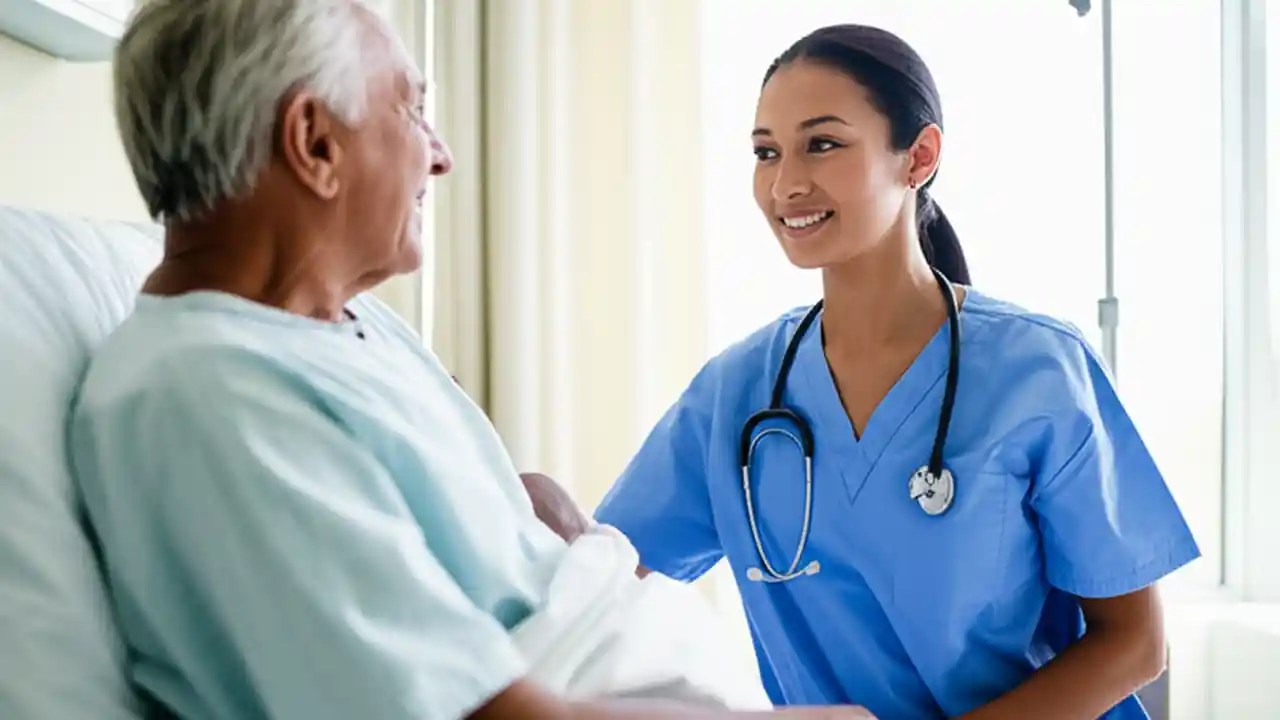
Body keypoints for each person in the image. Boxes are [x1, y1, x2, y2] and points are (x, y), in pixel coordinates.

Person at [67, 2, 874, 719]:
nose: (441, 155)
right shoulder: (211, 396)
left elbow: (480, 533)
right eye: (413, 112)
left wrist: (553, 524)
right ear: (315, 143)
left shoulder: (346, 329)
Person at [583, 23, 1200, 720]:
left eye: (823, 143)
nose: (786, 183)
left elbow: (1136, 643)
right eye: (766, 152)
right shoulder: (735, 397)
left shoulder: (1039, 372)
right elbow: (591, 585)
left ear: (920, 156)